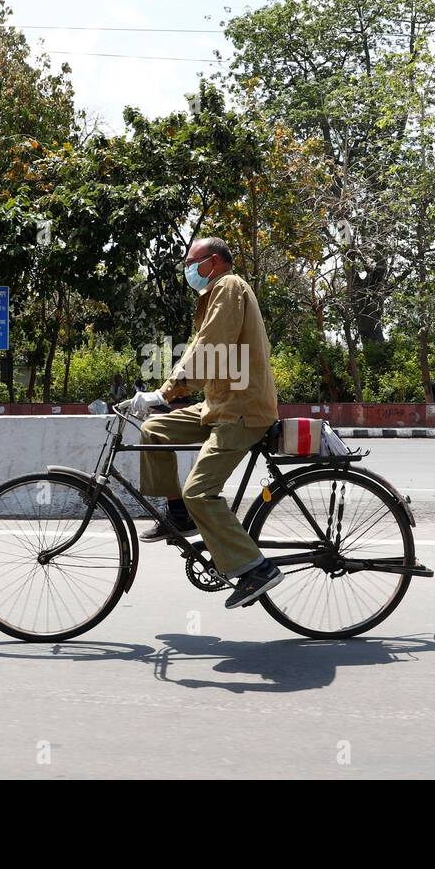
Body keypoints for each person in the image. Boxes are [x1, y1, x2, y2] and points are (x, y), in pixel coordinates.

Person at [127, 237, 281, 609]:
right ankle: (178, 515)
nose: (187, 270)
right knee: (155, 430)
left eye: (191, 262)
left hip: (242, 411)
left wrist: (165, 394)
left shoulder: (229, 287)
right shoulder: (214, 293)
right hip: (219, 404)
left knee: (201, 491)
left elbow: (210, 348)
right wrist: (163, 400)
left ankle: (255, 568)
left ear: (213, 262)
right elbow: (205, 352)